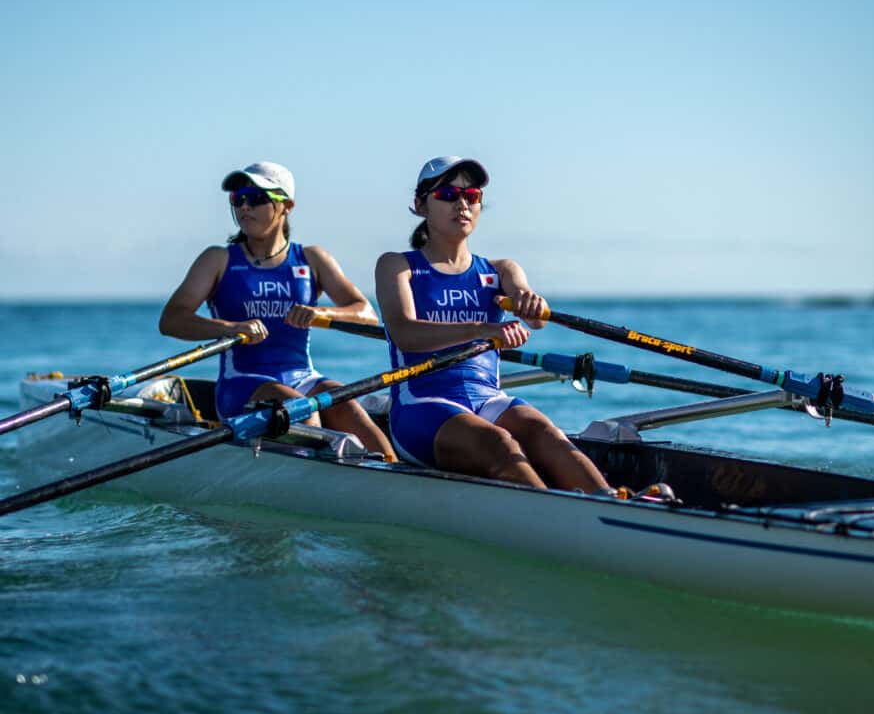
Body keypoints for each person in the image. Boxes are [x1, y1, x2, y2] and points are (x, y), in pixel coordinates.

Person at [375, 155, 611, 492]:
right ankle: (552, 512)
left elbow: (535, 319)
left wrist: (531, 302)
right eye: (448, 195)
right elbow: (405, 333)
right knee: (499, 443)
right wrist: (482, 330)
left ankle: (611, 504)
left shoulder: (500, 270)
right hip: (422, 404)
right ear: (421, 205)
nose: (462, 204)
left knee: (549, 435)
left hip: (488, 399)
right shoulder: (397, 266)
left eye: (471, 196)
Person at [160, 161, 397, 461]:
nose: (245, 207)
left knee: (347, 405)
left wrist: (322, 314)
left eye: (256, 198)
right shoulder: (218, 259)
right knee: (301, 411)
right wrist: (230, 328)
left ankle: (393, 473)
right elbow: (172, 320)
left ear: (287, 206)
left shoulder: (312, 258)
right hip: (242, 383)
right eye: (238, 199)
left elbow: (366, 313)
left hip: (304, 377)